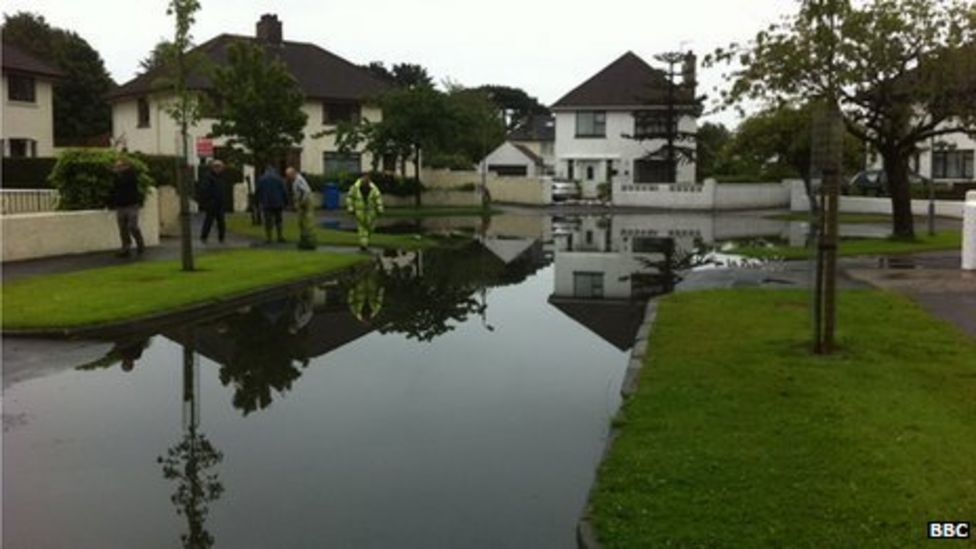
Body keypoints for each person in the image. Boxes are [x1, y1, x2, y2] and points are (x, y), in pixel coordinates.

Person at [110, 158, 145, 258]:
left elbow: (125, 182)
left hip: (132, 205)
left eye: (120, 166)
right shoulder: (116, 178)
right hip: (120, 205)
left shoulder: (130, 176)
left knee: (132, 226)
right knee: (122, 228)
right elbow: (114, 189)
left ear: (126, 167)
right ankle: (126, 247)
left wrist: (117, 173)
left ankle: (140, 243)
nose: (117, 168)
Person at [346, 172, 384, 251]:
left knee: (370, 228)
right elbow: (350, 197)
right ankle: (364, 244)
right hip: (360, 212)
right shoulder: (355, 188)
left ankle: (365, 241)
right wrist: (350, 207)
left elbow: (378, 198)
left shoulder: (374, 188)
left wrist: (380, 209)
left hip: (371, 212)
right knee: (362, 228)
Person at [285, 167, 316, 249]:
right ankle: (304, 240)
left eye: (289, 175)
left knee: (306, 222)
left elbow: (306, 192)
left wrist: (302, 202)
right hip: (302, 202)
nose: (288, 177)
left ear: (293, 173)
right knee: (301, 222)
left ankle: (308, 242)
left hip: (305, 202)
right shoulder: (295, 181)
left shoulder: (299, 180)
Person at [256, 165, 288, 243]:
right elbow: (284, 191)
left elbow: (258, 191)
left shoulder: (261, 179)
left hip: (266, 203)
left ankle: (269, 238)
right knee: (279, 220)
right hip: (278, 202)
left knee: (268, 221)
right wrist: (286, 202)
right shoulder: (279, 179)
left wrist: (258, 201)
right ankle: (279, 236)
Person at [200, 160, 227, 244]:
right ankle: (204, 236)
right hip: (212, 203)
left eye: (220, 167)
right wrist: (209, 200)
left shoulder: (221, 177)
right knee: (209, 221)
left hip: (220, 203)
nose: (218, 169)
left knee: (221, 222)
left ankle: (221, 237)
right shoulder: (208, 177)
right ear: (213, 167)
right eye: (217, 167)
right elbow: (205, 190)